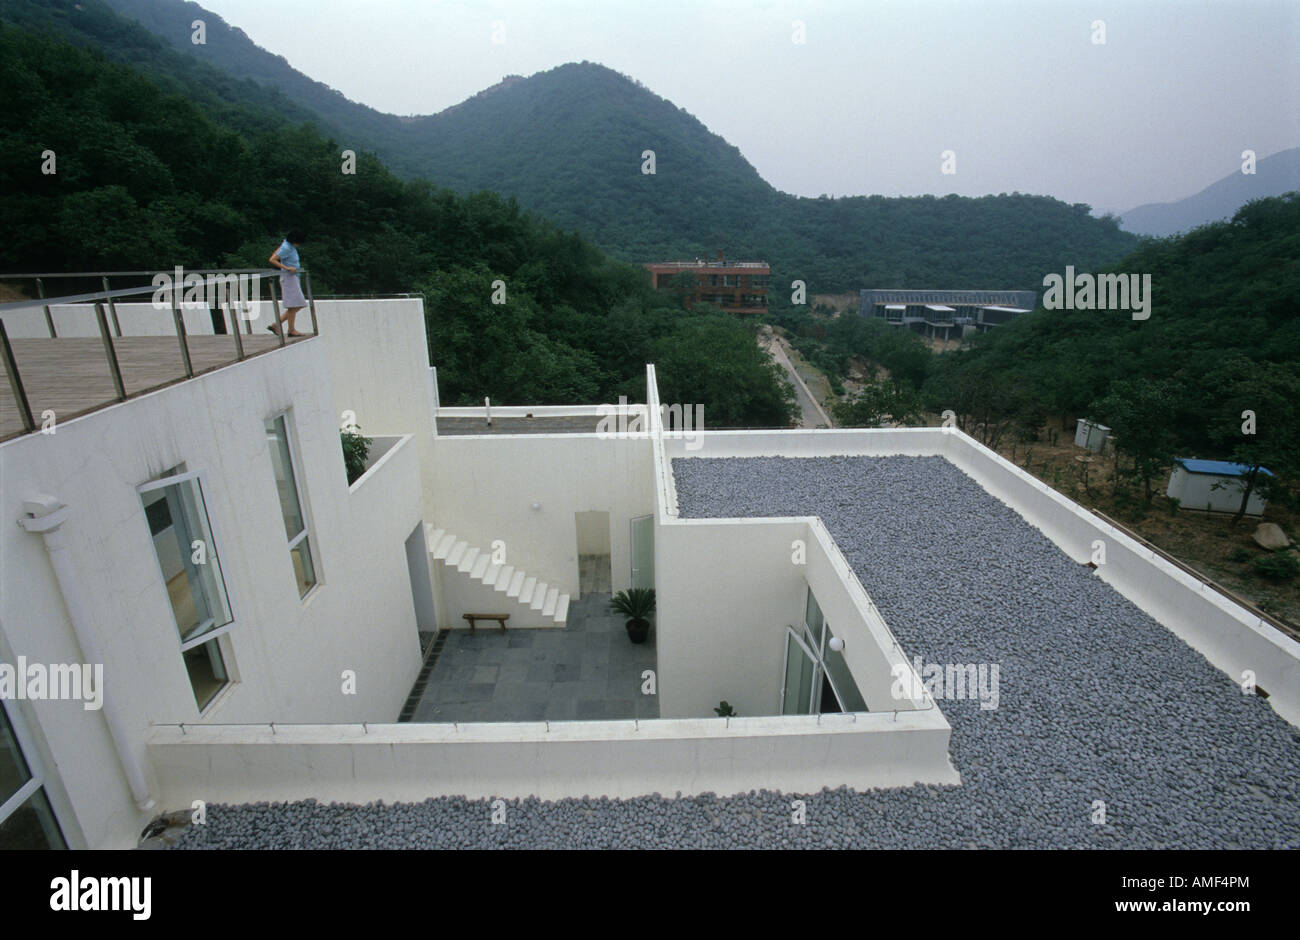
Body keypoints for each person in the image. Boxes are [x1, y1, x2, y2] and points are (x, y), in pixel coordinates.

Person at [268, 230, 308, 337]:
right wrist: (286, 268)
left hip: (293, 278)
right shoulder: (287, 247)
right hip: (289, 278)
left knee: (297, 305)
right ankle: (290, 329)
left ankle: (277, 325)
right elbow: (272, 259)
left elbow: (276, 252)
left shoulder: (287, 245)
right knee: (294, 305)